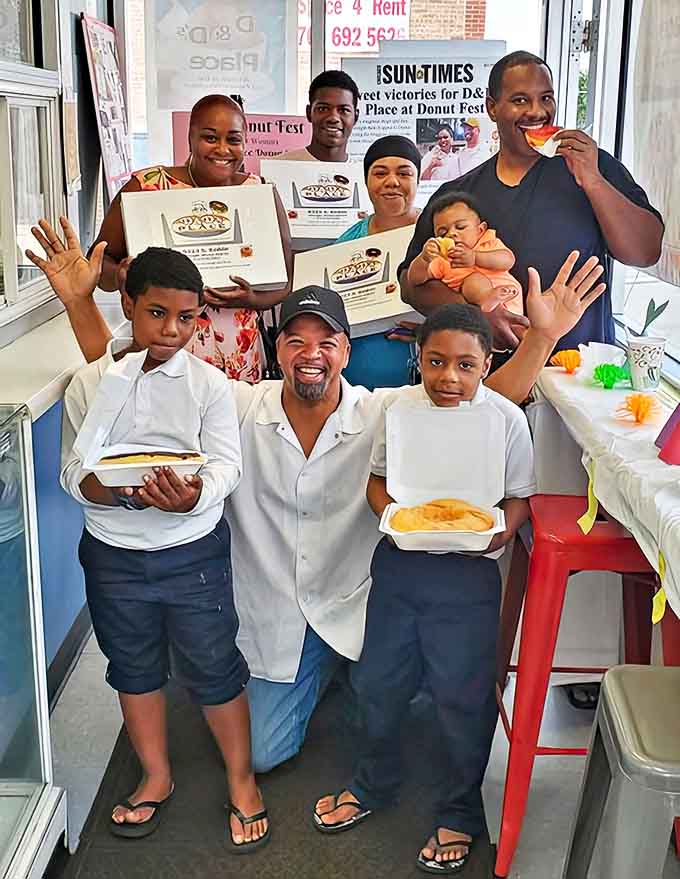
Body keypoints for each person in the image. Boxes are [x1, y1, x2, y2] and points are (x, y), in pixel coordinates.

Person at [28, 218, 606, 775]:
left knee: (416, 703)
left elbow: (477, 400)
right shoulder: (235, 404)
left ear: (346, 352)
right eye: (296, 341)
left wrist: (542, 337)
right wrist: (79, 303)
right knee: (264, 754)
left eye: (327, 342)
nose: (311, 354)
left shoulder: (384, 411)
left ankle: (353, 674)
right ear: (277, 350)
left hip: (360, 608)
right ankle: (319, 677)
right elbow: (139, 380)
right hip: (276, 615)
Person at [42, 239, 269, 851]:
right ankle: (156, 775)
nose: (172, 330)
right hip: (112, 553)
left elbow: (225, 465)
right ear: (128, 306)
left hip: (192, 550)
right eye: (157, 313)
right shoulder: (92, 383)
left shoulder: (208, 384)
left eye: (186, 317)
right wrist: (114, 493)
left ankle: (241, 778)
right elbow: (73, 472)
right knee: (132, 664)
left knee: (213, 660)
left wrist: (192, 497)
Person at [313, 304, 535, 873]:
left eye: (466, 364)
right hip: (401, 563)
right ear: (419, 358)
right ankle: (374, 782)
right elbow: (378, 482)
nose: (449, 377)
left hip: (468, 575)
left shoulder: (506, 419)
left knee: (461, 694)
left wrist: (498, 533)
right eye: (436, 362)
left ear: (488, 364)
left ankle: (460, 809)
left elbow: (517, 499)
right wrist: (392, 518)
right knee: (377, 682)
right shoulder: (400, 409)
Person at [399, 50, 664, 354]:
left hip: (580, 369)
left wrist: (593, 181)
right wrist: (475, 313)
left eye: (546, 98)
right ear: (492, 107)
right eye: (520, 100)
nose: (537, 111)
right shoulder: (458, 195)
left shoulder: (593, 166)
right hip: (490, 371)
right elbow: (410, 285)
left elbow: (645, 252)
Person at [89, 93, 293, 381]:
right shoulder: (147, 188)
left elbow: (286, 280)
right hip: (163, 352)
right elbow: (99, 262)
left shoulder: (260, 193)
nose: (223, 149)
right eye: (210, 137)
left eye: (233, 139)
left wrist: (253, 298)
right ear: (191, 138)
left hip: (239, 359)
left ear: (245, 143)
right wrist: (121, 276)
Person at [335, 135, 422, 389]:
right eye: (380, 173)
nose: (392, 182)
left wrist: (433, 329)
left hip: (426, 383)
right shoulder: (347, 242)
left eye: (404, 173)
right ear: (366, 181)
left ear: (418, 180)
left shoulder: (440, 233)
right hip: (356, 382)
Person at [407, 190, 522, 316]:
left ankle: (495, 300)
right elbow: (414, 279)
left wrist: (475, 257)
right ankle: (488, 298)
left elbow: (508, 260)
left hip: (510, 298)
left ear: (480, 230)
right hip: (477, 314)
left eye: (460, 227)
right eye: (443, 233)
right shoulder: (443, 258)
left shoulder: (487, 242)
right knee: (473, 280)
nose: (451, 234)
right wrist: (424, 259)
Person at [271, 71, 360, 163]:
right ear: (309, 113)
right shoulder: (276, 167)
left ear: (356, 117)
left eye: (344, 110)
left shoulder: (363, 171)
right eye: (323, 109)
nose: (333, 118)